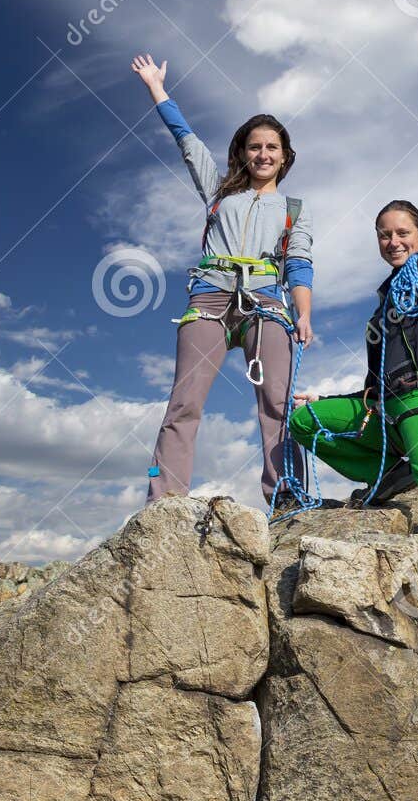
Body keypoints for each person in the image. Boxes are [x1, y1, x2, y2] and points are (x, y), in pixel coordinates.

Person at [289, 90, 418, 556]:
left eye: (403, 232)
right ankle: (391, 472)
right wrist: (333, 399)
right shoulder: (383, 305)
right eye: (384, 235)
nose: (393, 241)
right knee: (304, 420)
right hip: (384, 408)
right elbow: (374, 378)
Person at [131, 54, 314, 507]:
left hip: (266, 304)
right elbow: (186, 140)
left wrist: (303, 314)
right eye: (255, 146)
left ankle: (287, 495)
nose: (263, 154)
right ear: (242, 153)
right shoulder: (218, 191)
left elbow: (299, 264)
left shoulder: (294, 210)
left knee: (277, 403)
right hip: (209, 299)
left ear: (285, 156)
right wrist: (157, 88)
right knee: (185, 402)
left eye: (272, 147)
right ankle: (166, 500)